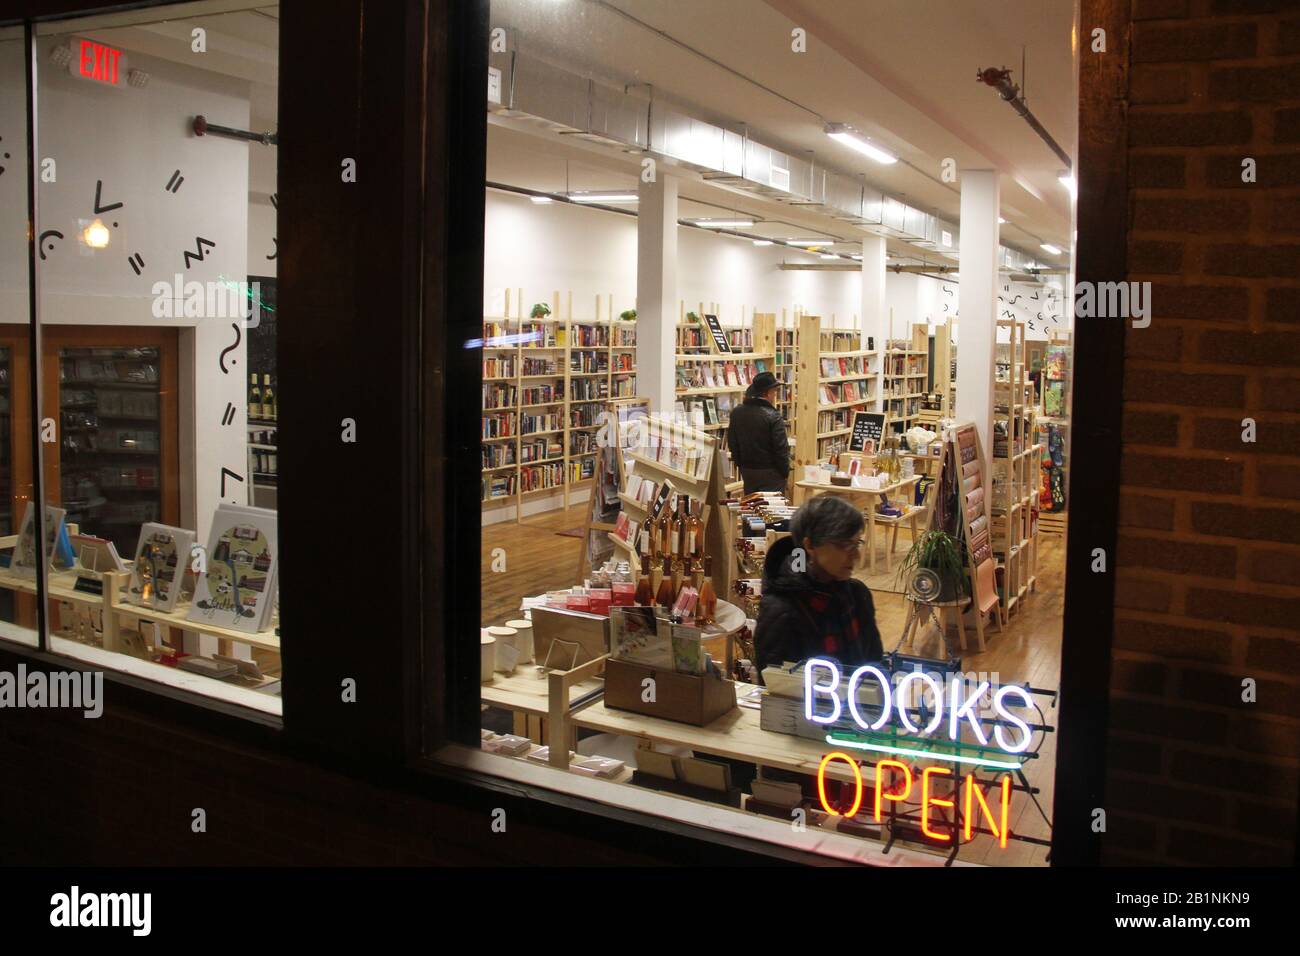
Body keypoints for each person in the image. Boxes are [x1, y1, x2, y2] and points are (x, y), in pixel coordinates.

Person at [753, 495, 884, 681]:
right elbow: (778, 691)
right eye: (844, 544)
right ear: (810, 545)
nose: (855, 555)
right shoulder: (782, 611)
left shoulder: (856, 594)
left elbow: (874, 666)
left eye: (857, 543)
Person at [726, 371, 790, 495]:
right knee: (772, 510)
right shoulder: (773, 416)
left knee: (751, 508)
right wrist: (784, 472)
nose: (775, 395)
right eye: (774, 391)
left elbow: (732, 443)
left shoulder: (737, 412)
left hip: (748, 471)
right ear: (767, 392)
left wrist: (741, 465)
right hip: (771, 472)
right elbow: (781, 449)